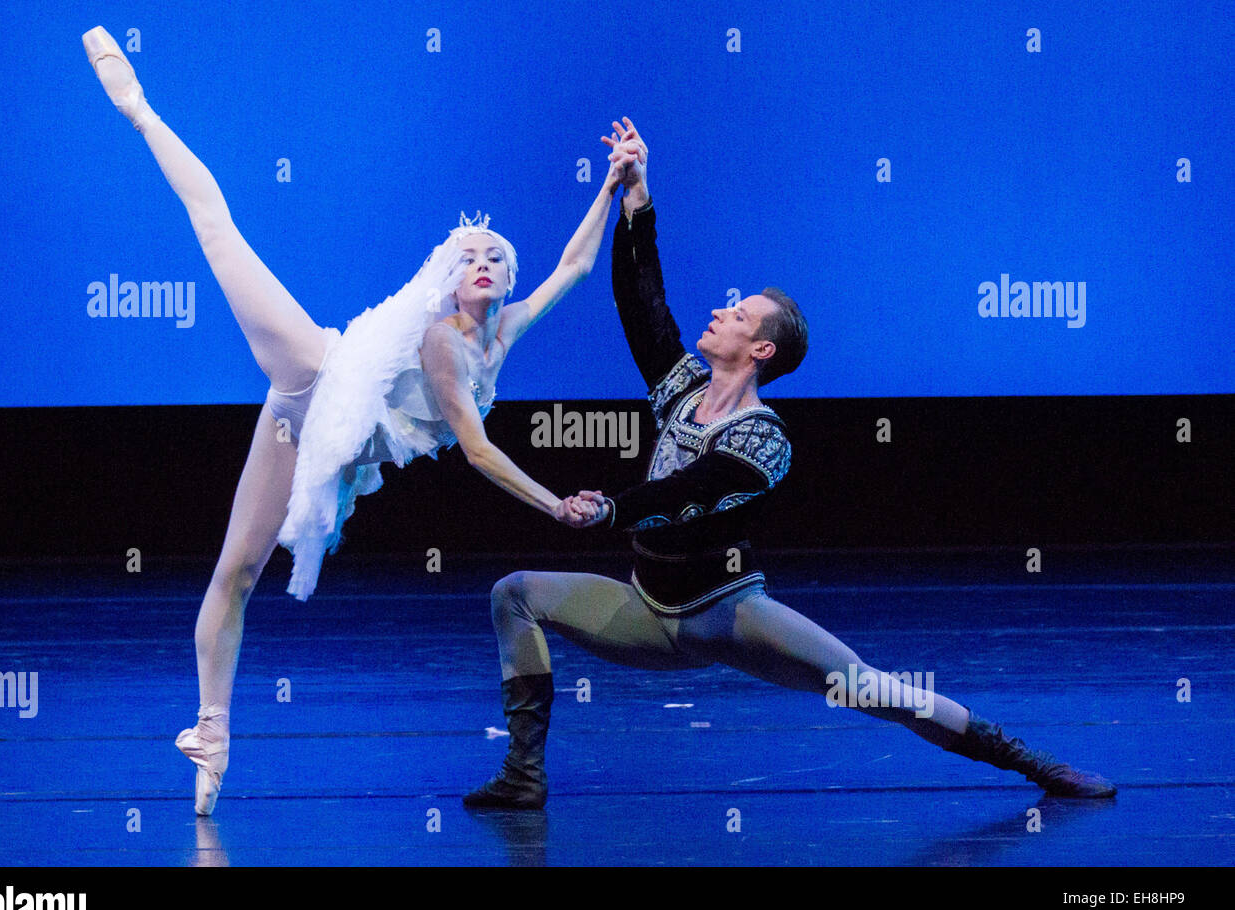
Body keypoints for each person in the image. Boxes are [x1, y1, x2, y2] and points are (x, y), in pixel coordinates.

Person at [464, 117, 1117, 809]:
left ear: (762, 350)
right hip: (648, 609)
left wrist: (610, 508)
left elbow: (689, 492)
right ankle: (524, 775)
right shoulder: (683, 387)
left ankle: (1033, 763)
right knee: (514, 594)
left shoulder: (766, 439)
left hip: (729, 617)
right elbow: (641, 303)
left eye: (739, 315)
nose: (719, 312)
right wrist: (637, 198)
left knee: (874, 690)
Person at [81, 27, 610, 815]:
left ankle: (211, 730)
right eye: (474, 256)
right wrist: (554, 504)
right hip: (316, 375)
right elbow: (476, 450)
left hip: (308, 442)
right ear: (449, 276)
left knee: (238, 573)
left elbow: (574, 266)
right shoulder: (438, 342)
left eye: (499, 259)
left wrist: (614, 183)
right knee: (217, 226)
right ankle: (140, 110)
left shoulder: (501, 337)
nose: (488, 265)